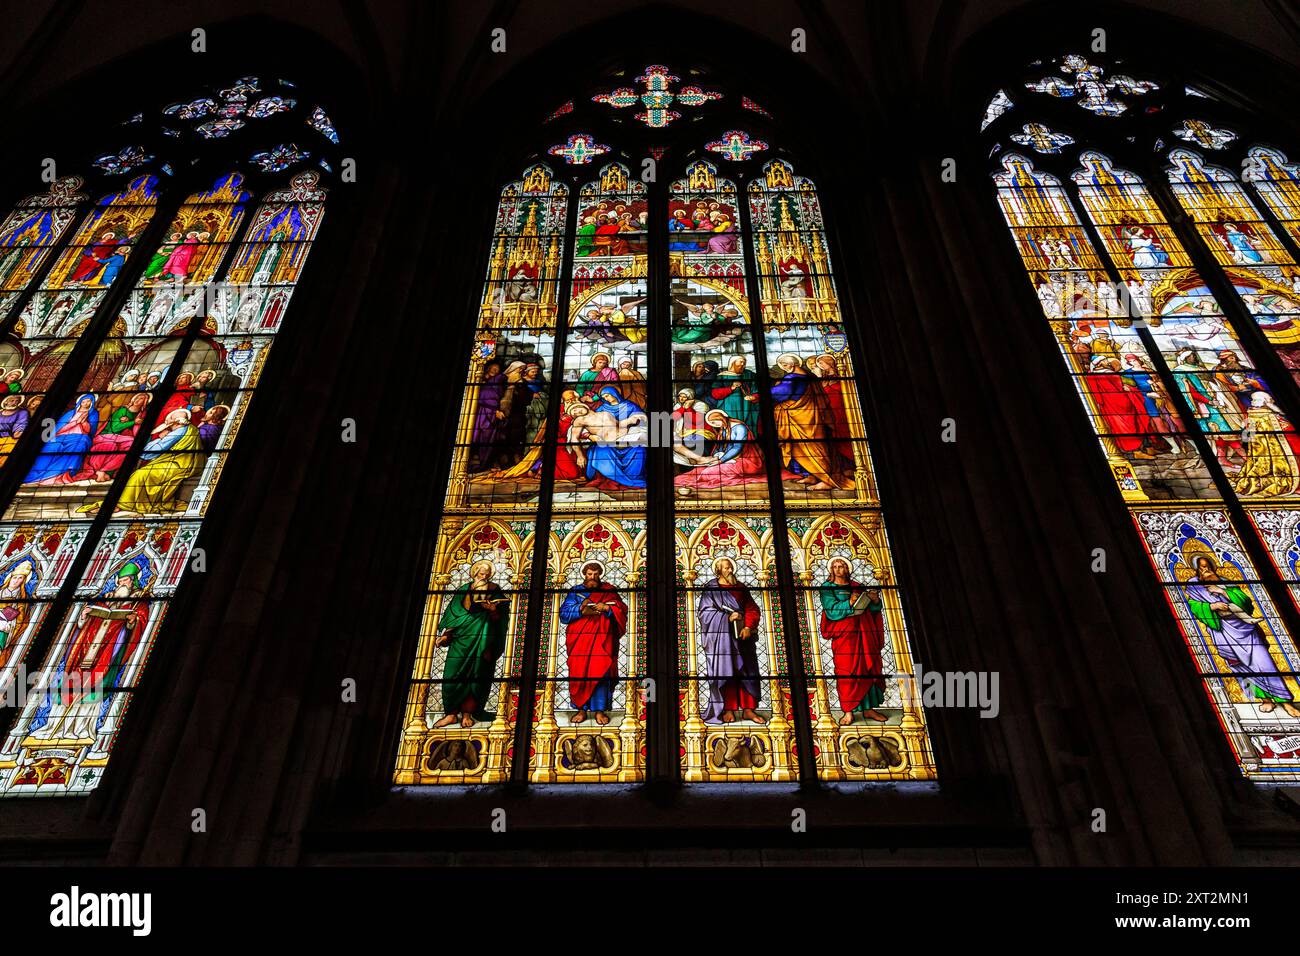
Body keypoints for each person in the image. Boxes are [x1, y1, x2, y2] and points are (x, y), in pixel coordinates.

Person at [29, 561, 151, 742]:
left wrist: (132, 621)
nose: (121, 584)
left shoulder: (137, 604)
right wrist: (83, 617)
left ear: (133, 582)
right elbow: (79, 628)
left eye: (126, 581)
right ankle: (55, 727)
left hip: (108, 654)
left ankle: (83, 730)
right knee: (69, 685)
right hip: (84, 651)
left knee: (95, 689)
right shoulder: (104, 599)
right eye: (120, 580)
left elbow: (140, 626)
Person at [1186, 555, 1300, 717]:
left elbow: (1246, 602)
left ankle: (1285, 702)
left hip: (1244, 629)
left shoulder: (1225, 581)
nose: (1205, 570)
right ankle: (1263, 699)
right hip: (1223, 631)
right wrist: (1212, 605)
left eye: (1208, 566)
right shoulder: (1193, 586)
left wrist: (1222, 591)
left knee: (1264, 662)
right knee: (1240, 667)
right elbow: (1194, 607)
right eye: (1202, 567)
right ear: (1196, 569)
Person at [433, 561, 510, 728]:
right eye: (481, 573)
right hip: (461, 638)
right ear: (475, 573)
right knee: (451, 674)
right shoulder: (463, 590)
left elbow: (502, 617)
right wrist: (447, 634)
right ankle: (451, 714)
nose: (484, 577)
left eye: (487, 574)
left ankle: (468, 713)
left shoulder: (494, 589)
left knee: (477, 674)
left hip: (483, 637)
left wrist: (493, 610)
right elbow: (454, 614)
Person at [819, 558, 888, 724]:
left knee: (867, 669)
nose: (838, 569)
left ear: (847, 568)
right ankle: (848, 711)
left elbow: (871, 609)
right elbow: (831, 609)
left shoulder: (857, 586)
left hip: (863, 633)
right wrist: (849, 602)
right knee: (846, 672)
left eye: (841, 566)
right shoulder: (827, 588)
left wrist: (875, 601)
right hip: (844, 636)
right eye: (834, 567)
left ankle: (868, 709)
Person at [558, 562, 627, 726]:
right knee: (578, 673)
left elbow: (621, 609)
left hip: (602, 640)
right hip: (579, 641)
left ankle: (599, 710)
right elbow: (564, 614)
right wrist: (581, 609)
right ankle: (581, 709)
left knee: (601, 671)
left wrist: (608, 609)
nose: (592, 578)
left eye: (596, 574)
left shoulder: (609, 591)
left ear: (600, 574)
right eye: (589, 574)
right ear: (584, 574)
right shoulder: (575, 592)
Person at [696, 557, 764, 724]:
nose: (730, 570)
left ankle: (748, 710)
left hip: (743, 637)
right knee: (727, 671)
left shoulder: (741, 588)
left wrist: (748, 626)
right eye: (726, 568)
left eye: (731, 567)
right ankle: (728, 709)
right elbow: (704, 613)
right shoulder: (711, 589)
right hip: (722, 640)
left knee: (748, 672)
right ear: (718, 571)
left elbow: (752, 609)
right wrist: (726, 617)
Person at [771, 354, 844, 490]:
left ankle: (827, 480)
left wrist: (762, 392)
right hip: (811, 414)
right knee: (801, 446)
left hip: (801, 416)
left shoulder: (792, 378)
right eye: (782, 366)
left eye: (785, 365)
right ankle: (811, 475)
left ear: (792, 365)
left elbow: (782, 392)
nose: (785, 368)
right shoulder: (810, 376)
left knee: (813, 447)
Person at [115, 408, 204, 513]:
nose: (167, 420)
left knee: (141, 474)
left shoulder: (177, 432)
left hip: (179, 464)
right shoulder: (187, 429)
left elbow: (155, 450)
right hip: (181, 462)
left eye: (170, 418)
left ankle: (123, 505)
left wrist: (159, 438)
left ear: (176, 421)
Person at [674, 410, 765, 491]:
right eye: (712, 423)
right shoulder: (723, 429)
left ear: (720, 417)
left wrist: (721, 460)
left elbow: (737, 447)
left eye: (714, 422)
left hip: (747, 461)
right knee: (697, 471)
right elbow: (719, 448)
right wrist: (714, 458)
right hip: (728, 459)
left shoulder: (740, 428)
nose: (715, 425)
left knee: (708, 473)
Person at [24, 393, 97, 485]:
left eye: (88, 401)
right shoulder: (69, 414)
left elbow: (91, 431)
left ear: (92, 403)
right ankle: (38, 474)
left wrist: (83, 424)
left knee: (79, 446)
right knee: (52, 447)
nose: (86, 404)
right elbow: (57, 428)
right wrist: (74, 423)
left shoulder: (93, 414)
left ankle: (63, 475)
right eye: (84, 401)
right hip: (60, 436)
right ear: (80, 403)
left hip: (80, 438)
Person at [78, 391, 150, 482]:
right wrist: (132, 422)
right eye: (137, 397)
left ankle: (106, 471)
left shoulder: (142, 414)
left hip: (123, 439)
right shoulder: (123, 410)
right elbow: (115, 428)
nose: (137, 400)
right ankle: (100, 471)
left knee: (130, 445)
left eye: (141, 399)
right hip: (106, 436)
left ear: (145, 402)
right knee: (112, 445)